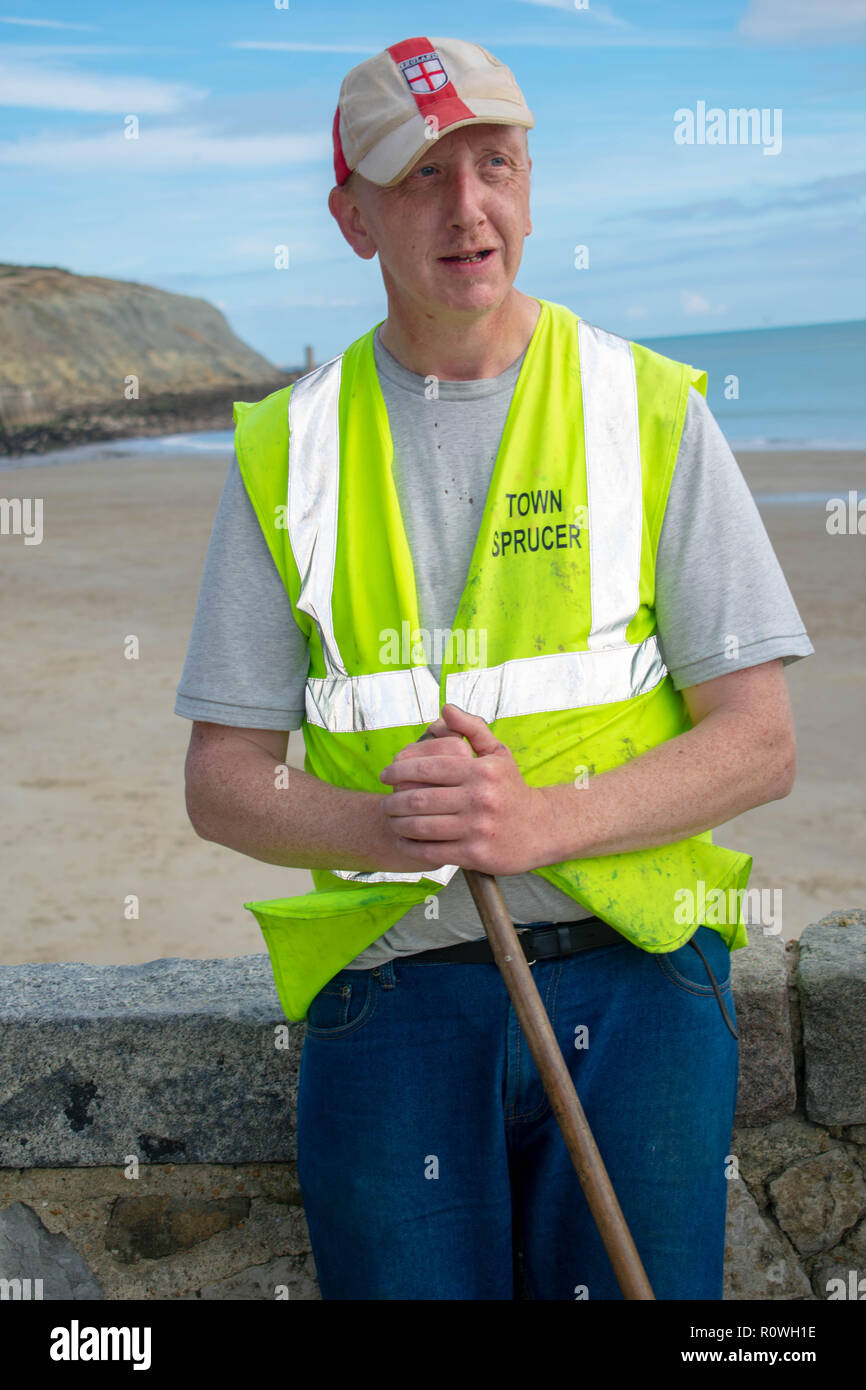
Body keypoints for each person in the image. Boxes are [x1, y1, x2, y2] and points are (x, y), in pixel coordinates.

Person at [176, 36, 814, 1300]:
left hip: (641, 990)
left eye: (495, 166)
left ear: (530, 184)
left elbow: (760, 740)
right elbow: (220, 779)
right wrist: (387, 820)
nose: (467, 208)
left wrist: (538, 821)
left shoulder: (647, 406)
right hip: (391, 1002)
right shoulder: (288, 447)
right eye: (421, 176)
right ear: (351, 216)